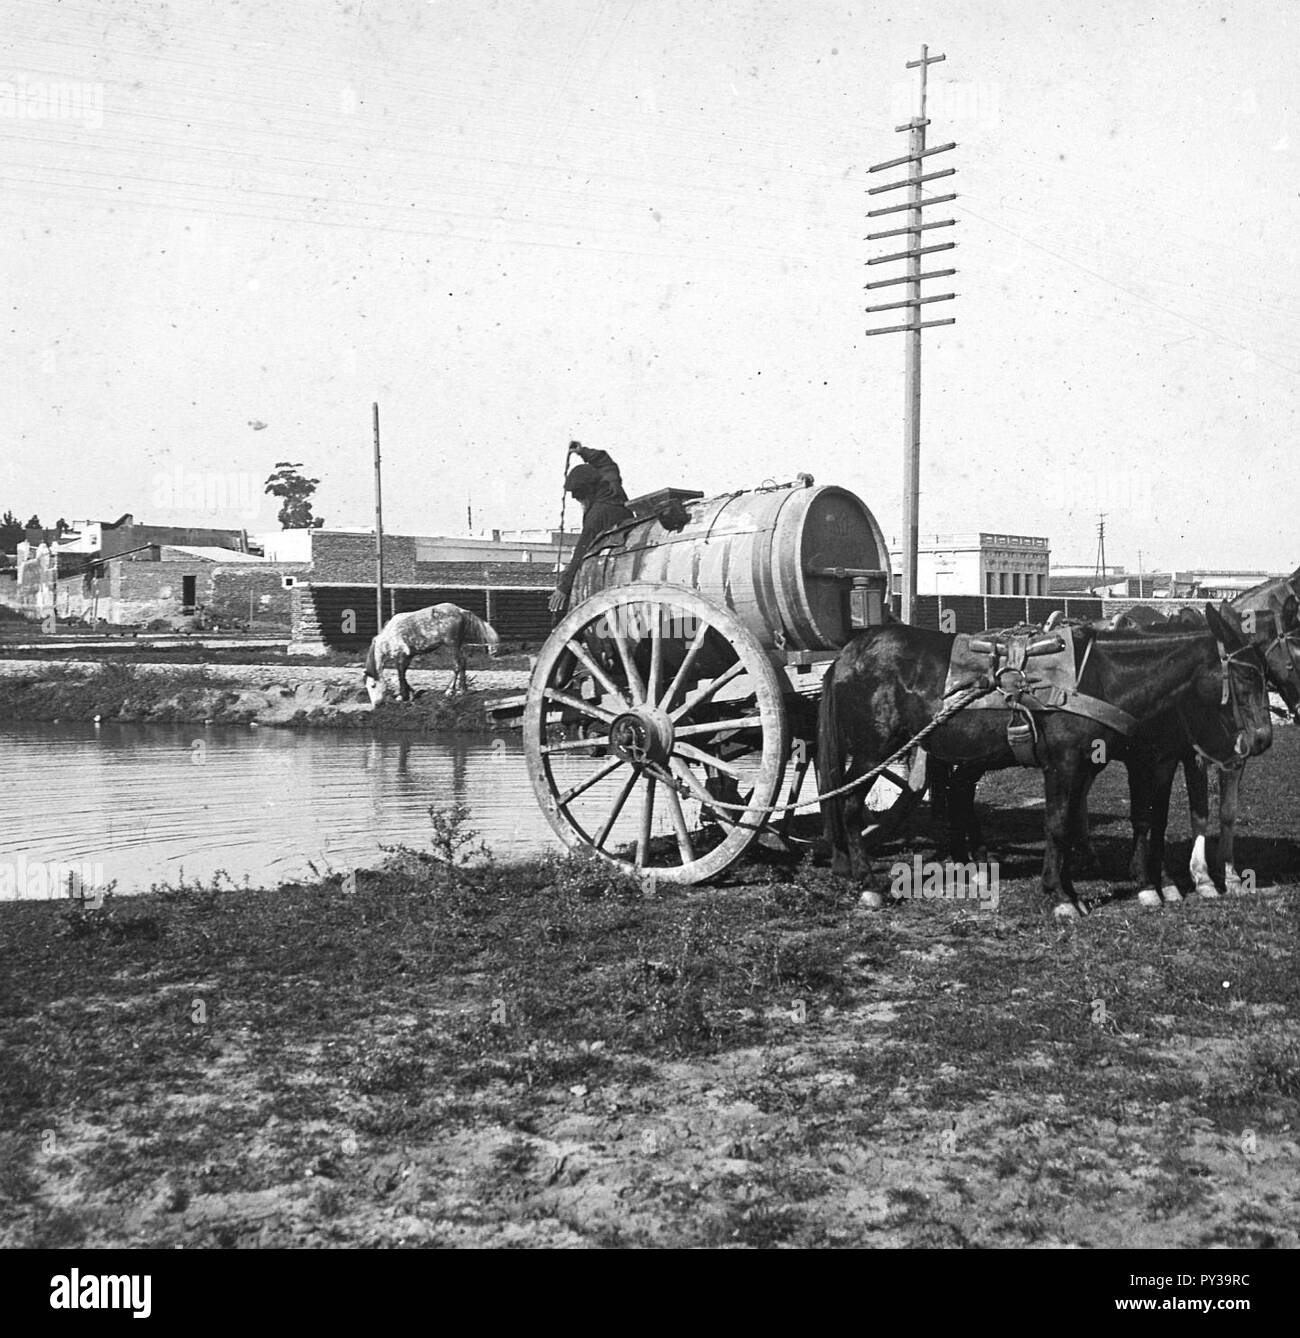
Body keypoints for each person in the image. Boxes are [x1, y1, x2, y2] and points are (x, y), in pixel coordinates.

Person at [548, 444, 632, 614]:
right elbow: (606, 463)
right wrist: (583, 451)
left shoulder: (596, 515)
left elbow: (581, 552)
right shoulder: (614, 490)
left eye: (580, 499)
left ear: (585, 494)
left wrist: (563, 587)